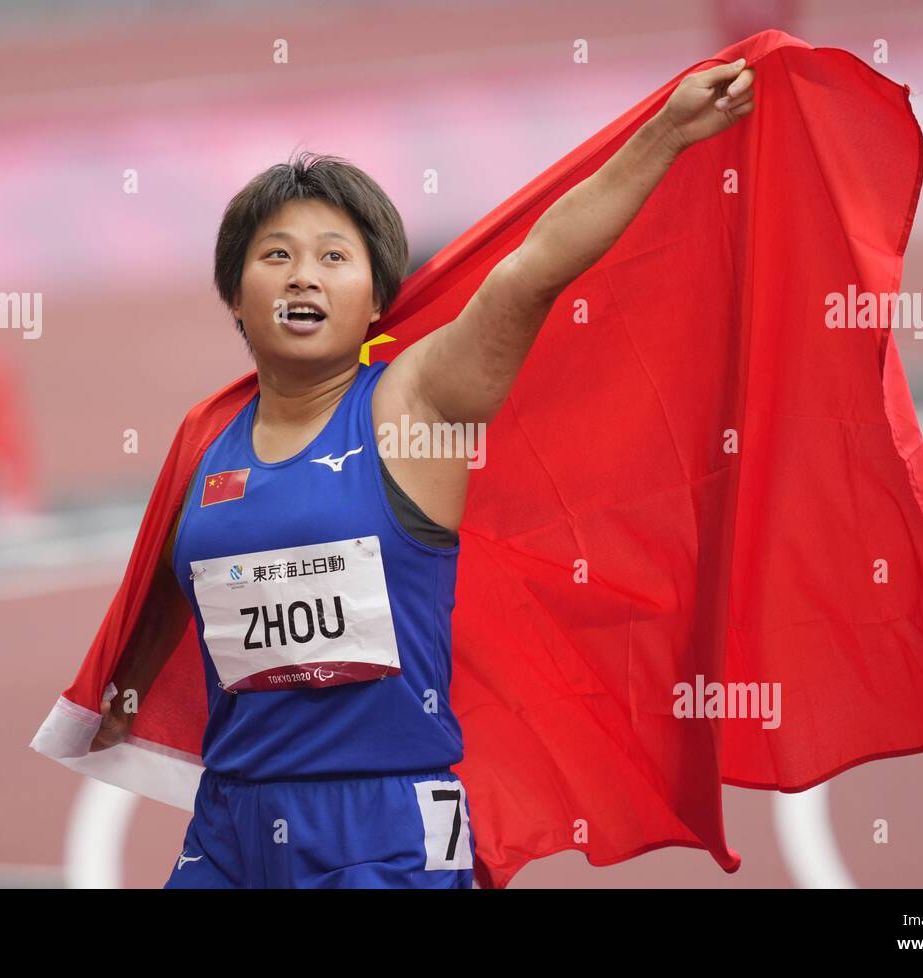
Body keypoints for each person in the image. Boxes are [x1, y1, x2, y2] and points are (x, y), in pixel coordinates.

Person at [88, 58, 756, 888]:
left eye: (335, 256)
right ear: (234, 293)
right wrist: (126, 686)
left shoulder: (418, 406)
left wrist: (667, 134)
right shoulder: (205, 434)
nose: (304, 274)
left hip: (386, 827)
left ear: (376, 300)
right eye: (276, 256)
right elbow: (172, 582)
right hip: (231, 823)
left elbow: (534, 269)